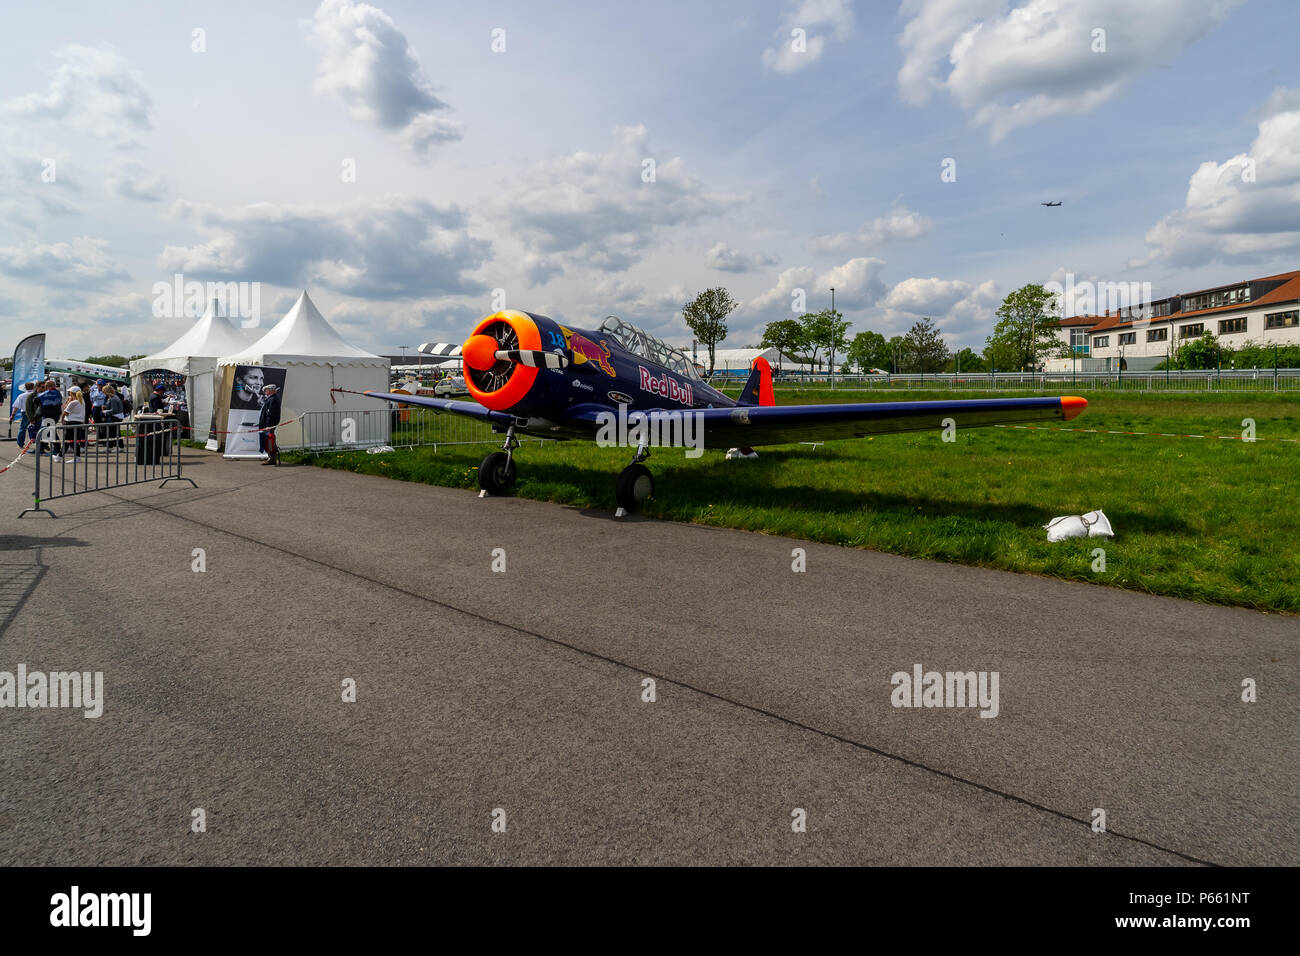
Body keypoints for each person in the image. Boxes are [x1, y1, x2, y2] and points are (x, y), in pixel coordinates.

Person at [54, 386, 87, 462]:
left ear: (72, 393)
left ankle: (60, 456)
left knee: (68, 440)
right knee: (71, 440)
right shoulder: (81, 401)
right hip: (78, 422)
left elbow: (65, 412)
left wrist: (68, 401)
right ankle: (61, 456)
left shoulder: (73, 402)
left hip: (71, 422)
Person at [36, 380, 63, 455]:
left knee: (49, 432)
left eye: (45, 386)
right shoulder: (58, 393)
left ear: (48, 386)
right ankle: (41, 449)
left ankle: (56, 449)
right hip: (55, 415)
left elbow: (35, 400)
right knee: (47, 431)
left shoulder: (45, 393)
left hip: (48, 415)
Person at [258, 383, 282, 465]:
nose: (264, 391)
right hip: (267, 425)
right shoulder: (271, 399)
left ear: (271, 390)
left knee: (269, 441)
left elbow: (271, 414)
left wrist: (269, 425)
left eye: (266, 390)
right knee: (268, 441)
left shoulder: (273, 400)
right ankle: (271, 458)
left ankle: (272, 459)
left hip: (269, 425)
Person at [101, 384, 126, 449]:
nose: (104, 394)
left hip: (114, 417)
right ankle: (113, 447)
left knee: (113, 433)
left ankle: (117, 447)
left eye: (104, 392)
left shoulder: (113, 399)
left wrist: (105, 412)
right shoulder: (113, 397)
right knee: (114, 432)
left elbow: (114, 410)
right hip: (115, 416)